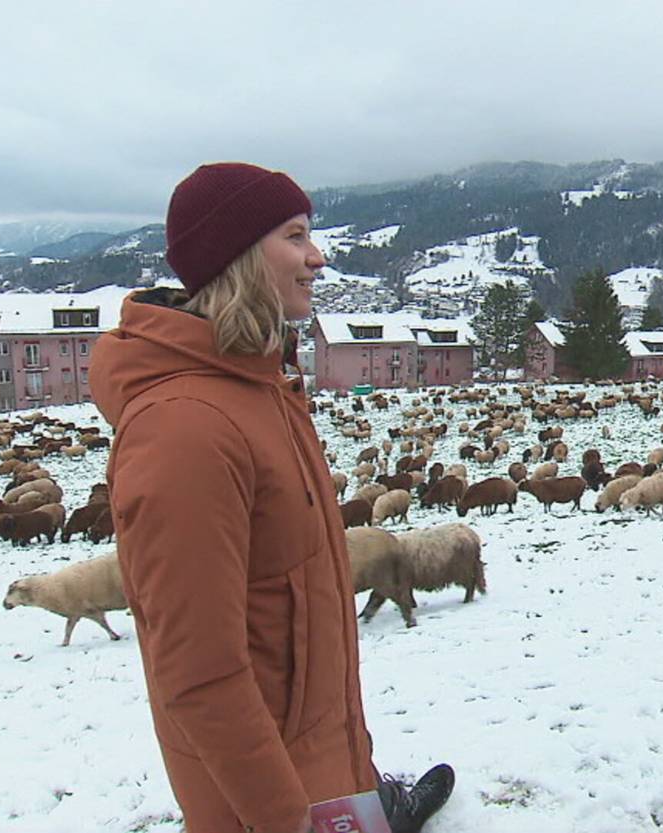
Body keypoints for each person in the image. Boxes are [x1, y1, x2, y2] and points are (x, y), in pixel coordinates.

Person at [90, 162, 453, 833]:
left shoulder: (260, 388)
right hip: (265, 802)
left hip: (320, 764)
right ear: (237, 257)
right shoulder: (185, 430)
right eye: (294, 236)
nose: (318, 256)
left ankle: (378, 801)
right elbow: (200, 675)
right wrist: (286, 820)